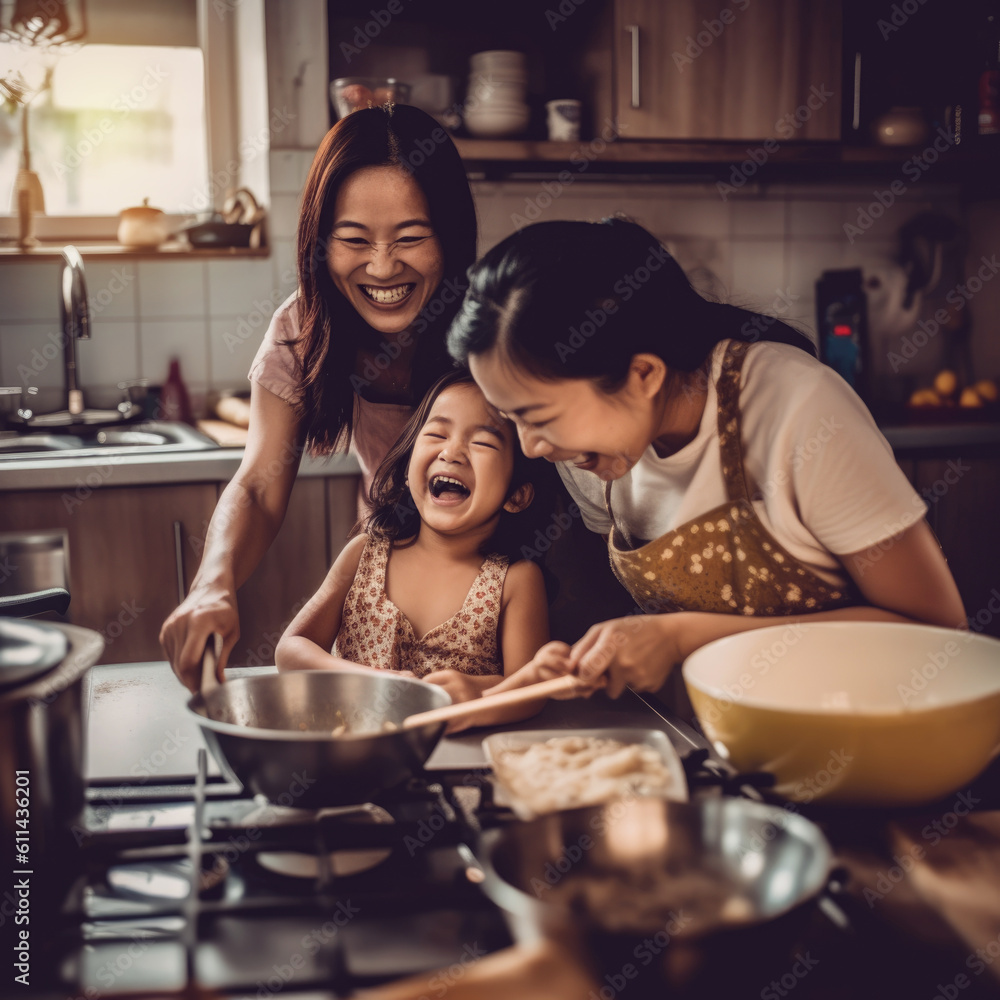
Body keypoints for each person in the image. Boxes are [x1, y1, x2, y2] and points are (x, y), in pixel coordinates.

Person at [449, 218, 967, 699]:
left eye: (538, 416)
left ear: (644, 375)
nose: (532, 446)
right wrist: (519, 686)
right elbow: (620, 627)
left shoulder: (800, 410)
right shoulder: (589, 453)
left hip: (852, 724)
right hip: (709, 735)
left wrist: (681, 635)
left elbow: (938, 631)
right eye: (510, 418)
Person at [161, 105, 478, 691]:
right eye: (354, 240)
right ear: (319, 243)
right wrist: (213, 583)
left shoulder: (492, 325)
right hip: (385, 602)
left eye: (411, 238)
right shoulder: (305, 328)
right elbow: (258, 484)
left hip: (501, 606)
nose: (383, 268)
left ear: (451, 237)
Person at [274, 370, 552, 730]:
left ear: (517, 494)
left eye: (482, 443)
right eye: (436, 434)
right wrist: (371, 682)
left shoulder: (517, 581)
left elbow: (532, 690)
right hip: (353, 752)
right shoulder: (364, 554)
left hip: (458, 766)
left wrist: (475, 694)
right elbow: (292, 650)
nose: (452, 452)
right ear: (407, 470)